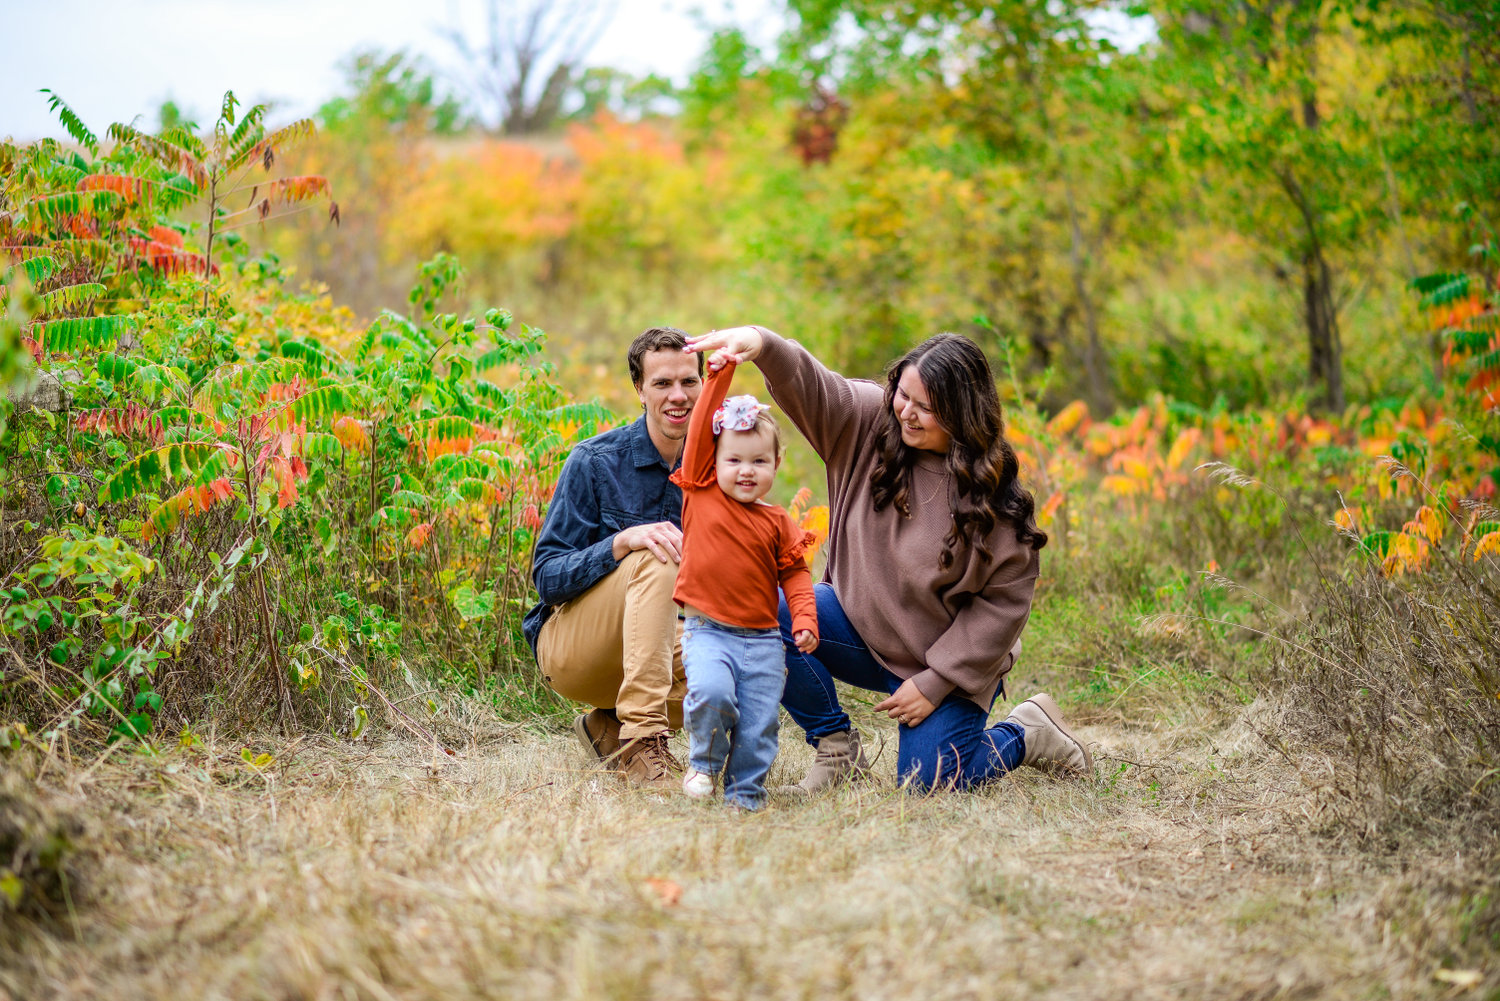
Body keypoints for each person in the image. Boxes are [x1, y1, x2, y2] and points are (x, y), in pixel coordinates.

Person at [682, 326, 1093, 792]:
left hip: (948, 663)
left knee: (927, 786)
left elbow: (1002, 606)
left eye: (927, 407)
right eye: (903, 394)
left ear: (963, 414)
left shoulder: (991, 494)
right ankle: (836, 747)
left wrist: (936, 681)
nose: (907, 413)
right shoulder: (867, 424)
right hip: (857, 628)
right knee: (769, 610)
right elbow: (815, 384)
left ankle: (1028, 732)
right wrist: (763, 344)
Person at [522, 326, 703, 788]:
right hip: (576, 648)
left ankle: (608, 730)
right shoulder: (595, 461)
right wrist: (620, 544)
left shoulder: (720, 469)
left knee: (752, 665)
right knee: (657, 552)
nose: (677, 395)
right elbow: (547, 577)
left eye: (688, 381)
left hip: (664, 645)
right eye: (662, 383)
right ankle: (644, 742)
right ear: (639, 389)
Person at [670, 360, 819, 810]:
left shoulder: (778, 522)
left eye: (759, 461)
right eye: (733, 460)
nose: (746, 471)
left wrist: (806, 619)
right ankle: (704, 762)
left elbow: (795, 574)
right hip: (708, 632)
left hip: (764, 642)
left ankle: (745, 795)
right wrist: (719, 374)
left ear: (777, 463)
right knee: (711, 694)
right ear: (712, 461)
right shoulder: (700, 491)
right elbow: (699, 428)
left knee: (759, 726)